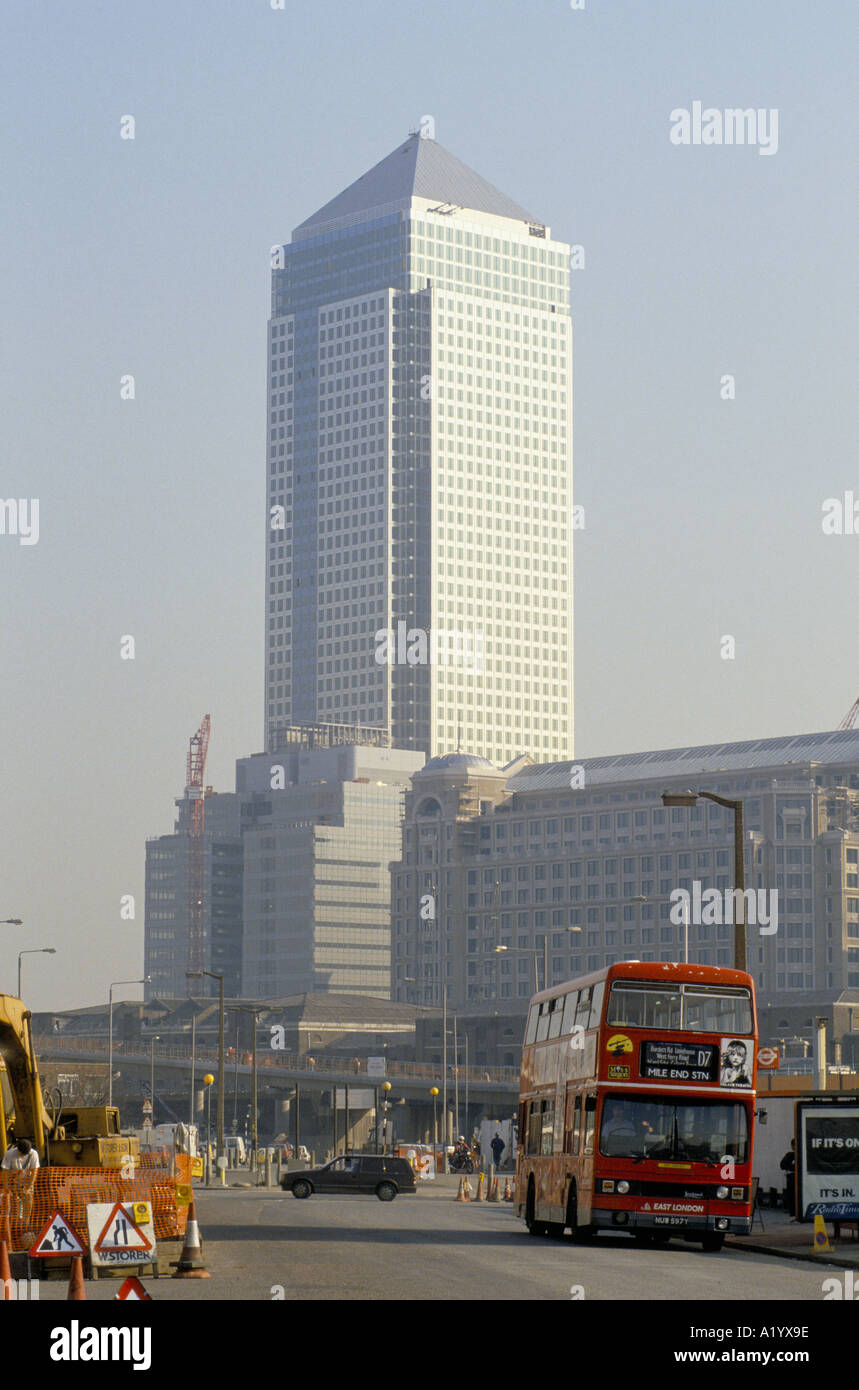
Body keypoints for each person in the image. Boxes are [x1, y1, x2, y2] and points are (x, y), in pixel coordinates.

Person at [1, 1137, 39, 1229]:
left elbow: (34, 1171)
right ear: (18, 1149)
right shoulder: (9, 1154)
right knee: (14, 1203)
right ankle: (14, 1224)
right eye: (22, 1154)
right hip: (13, 1181)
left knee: (28, 1201)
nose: (23, 1156)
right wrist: (6, 1188)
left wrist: (29, 1187)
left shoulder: (33, 1154)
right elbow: (5, 1172)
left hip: (27, 1180)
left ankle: (26, 1223)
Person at [780, 1139, 796, 1218]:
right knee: (791, 1195)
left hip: (797, 1177)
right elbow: (782, 1165)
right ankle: (792, 1213)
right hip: (792, 1177)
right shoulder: (790, 1155)